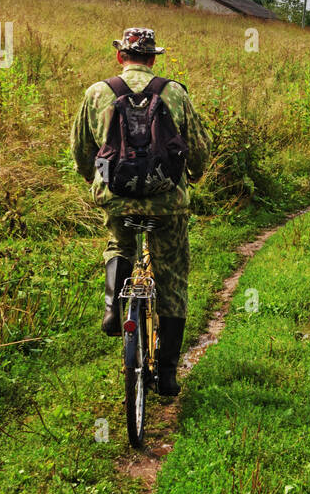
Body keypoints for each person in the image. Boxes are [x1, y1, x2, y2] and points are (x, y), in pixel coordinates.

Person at [70, 27, 211, 396]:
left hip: (115, 197)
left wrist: (97, 181)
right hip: (167, 203)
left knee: (120, 244)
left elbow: (81, 151)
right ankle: (166, 374)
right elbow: (198, 149)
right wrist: (192, 176)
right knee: (173, 280)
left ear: (121, 56)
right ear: (153, 59)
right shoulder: (174, 92)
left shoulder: (97, 92)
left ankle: (114, 308)